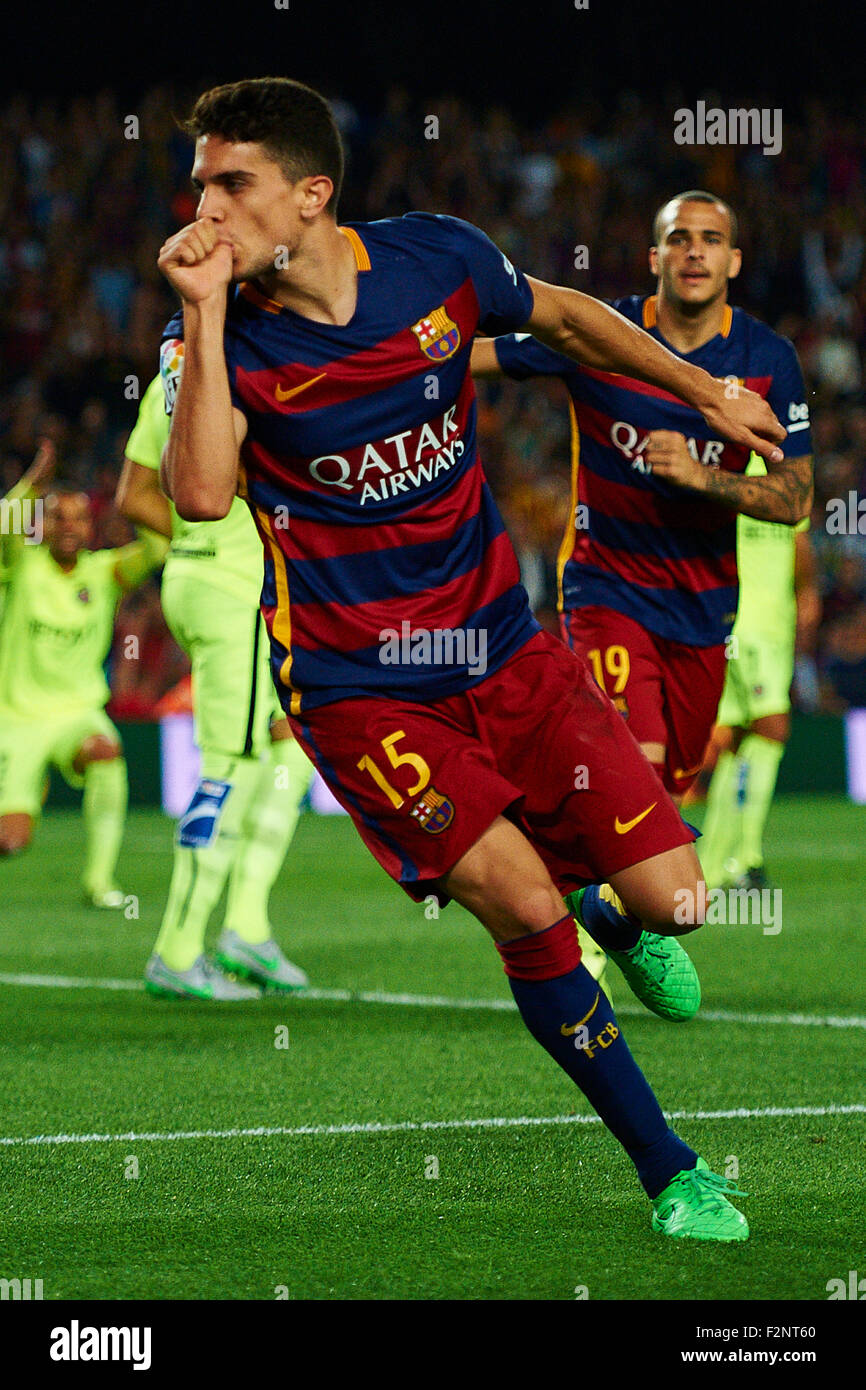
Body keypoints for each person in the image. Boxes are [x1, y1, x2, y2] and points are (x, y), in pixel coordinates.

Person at [156, 78, 787, 1240]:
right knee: (520, 904)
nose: (202, 204)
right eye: (198, 181)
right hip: (358, 694)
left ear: (309, 195)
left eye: (228, 182)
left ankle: (619, 905)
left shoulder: (436, 261)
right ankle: (671, 1169)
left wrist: (703, 387)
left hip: (503, 655)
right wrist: (196, 314)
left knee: (680, 902)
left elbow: (566, 317)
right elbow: (198, 497)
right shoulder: (219, 338)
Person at [471, 190, 813, 984]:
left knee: (672, 786)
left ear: (734, 261)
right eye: (678, 239)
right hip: (604, 586)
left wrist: (700, 477)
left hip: (702, 613)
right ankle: (573, 956)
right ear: (655, 257)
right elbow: (473, 354)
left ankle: (613, 913)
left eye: (712, 240)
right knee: (637, 762)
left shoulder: (766, 359)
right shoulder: (600, 334)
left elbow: (796, 496)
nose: (695, 251)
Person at [116, 376, 313, 998]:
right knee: (233, 765)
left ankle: (246, 928)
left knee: (291, 751)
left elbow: (132, 494)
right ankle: (176, 950)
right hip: (238, 592)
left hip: (205, 582)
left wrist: (196, 544)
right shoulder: (254, 367)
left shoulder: (170, 375)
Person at [0, 441, 167, 905]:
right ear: (43, 525)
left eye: (78, 518)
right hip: (16, 720)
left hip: (77, 713)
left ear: (91, 526)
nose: (69, 526)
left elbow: (158, 547)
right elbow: (4, 525)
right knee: (10, 842)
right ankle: (29, 784)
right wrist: (32, 484)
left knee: (106, 751)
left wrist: (137, 493)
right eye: (58, 517)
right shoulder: (20, 566)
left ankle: (100, 883)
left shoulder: (103, 573)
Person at [698, 467, 821, 888]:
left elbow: (803, 565)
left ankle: (716, 862)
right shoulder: (726, 471)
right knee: (772, 729)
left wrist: (805, 610)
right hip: (745, 627)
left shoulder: (788, 477)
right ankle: (744, 858)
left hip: (769, 631)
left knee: (737, 739)